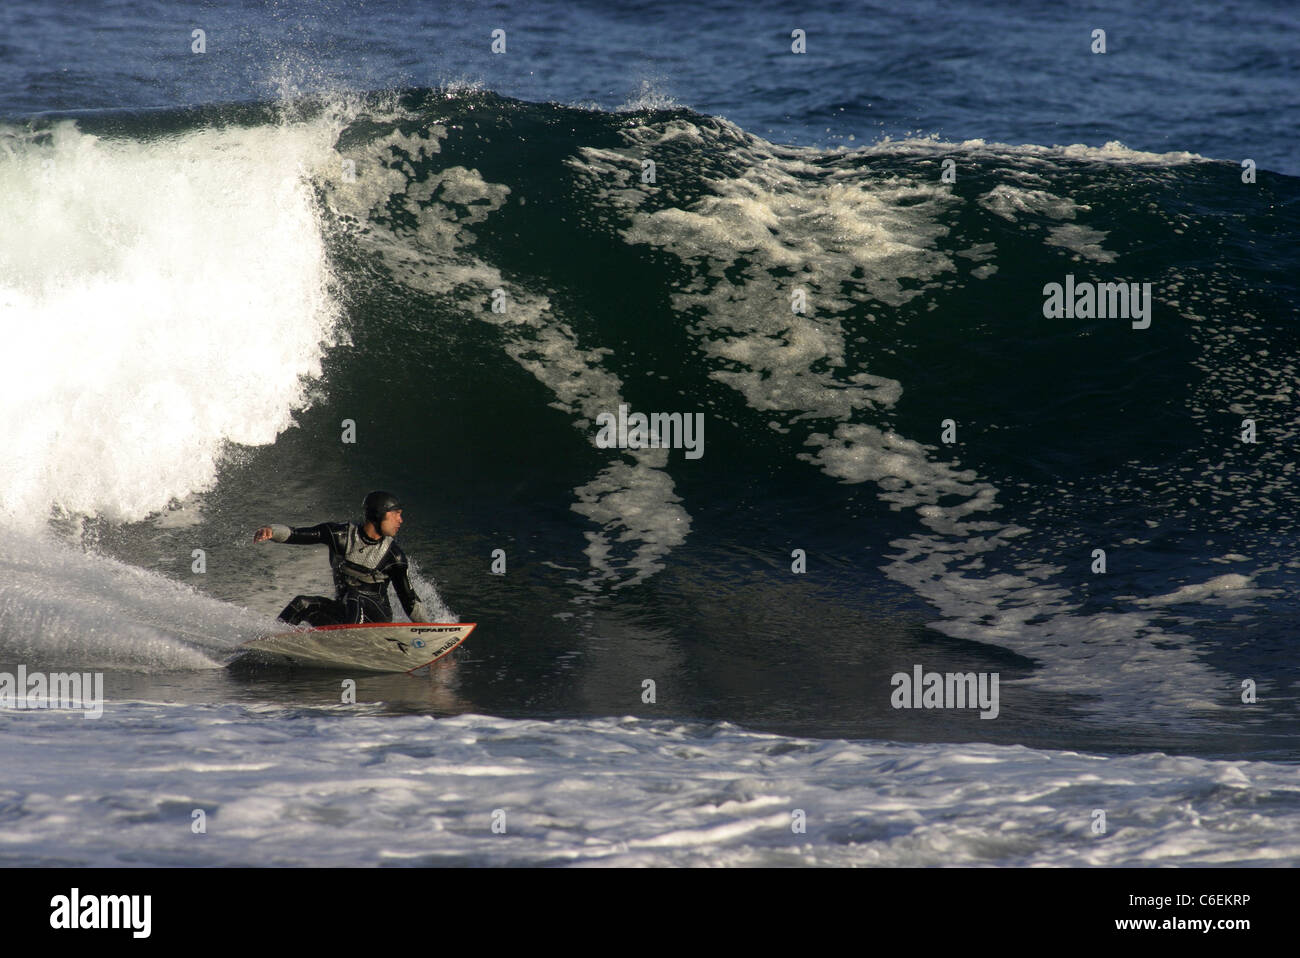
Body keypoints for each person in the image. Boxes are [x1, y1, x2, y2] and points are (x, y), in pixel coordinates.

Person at [253, 490, 433, 626]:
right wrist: (272, 530)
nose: (400, 520)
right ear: (378, 514)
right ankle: (269, 641)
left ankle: (349, 639)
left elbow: (409, 600)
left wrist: (431, 635)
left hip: (376, 620)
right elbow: (297, 534)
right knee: (302, 603)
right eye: (396, 514)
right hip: (346, 614)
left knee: (355, 595)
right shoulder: (340, 535)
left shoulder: (393, 555)